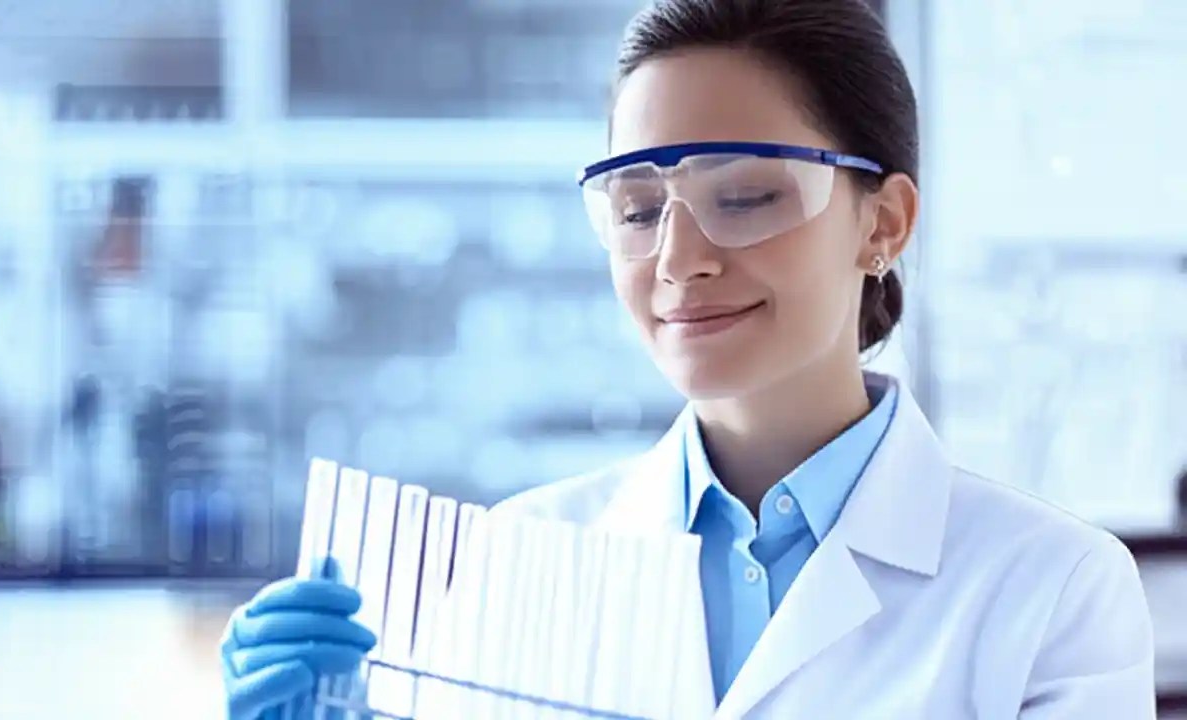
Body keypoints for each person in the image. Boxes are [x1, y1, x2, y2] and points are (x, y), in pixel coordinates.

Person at [219, 0, 1157, 717]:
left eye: (744, 196)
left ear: (884, 222)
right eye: (636, 211)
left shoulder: (1052, 588)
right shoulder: (516, 565)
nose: (678, 259)